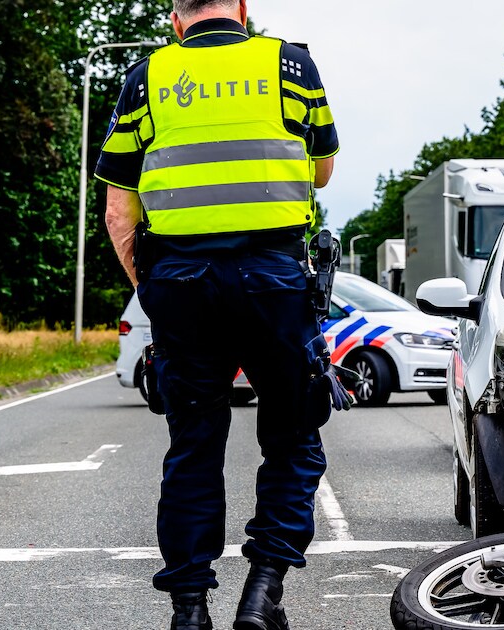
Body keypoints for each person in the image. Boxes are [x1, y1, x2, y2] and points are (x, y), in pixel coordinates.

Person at [95, 1, 340, 628]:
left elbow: (119, 212)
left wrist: (151, 289)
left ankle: (189, 611)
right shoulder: (291, 65)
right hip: (274, 282)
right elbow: (321, 172)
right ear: (243, 10)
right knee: (292, 437)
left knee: (194, 445)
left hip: (181, 284)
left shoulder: (145, 79)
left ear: (176, 20)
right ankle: (263, 593)